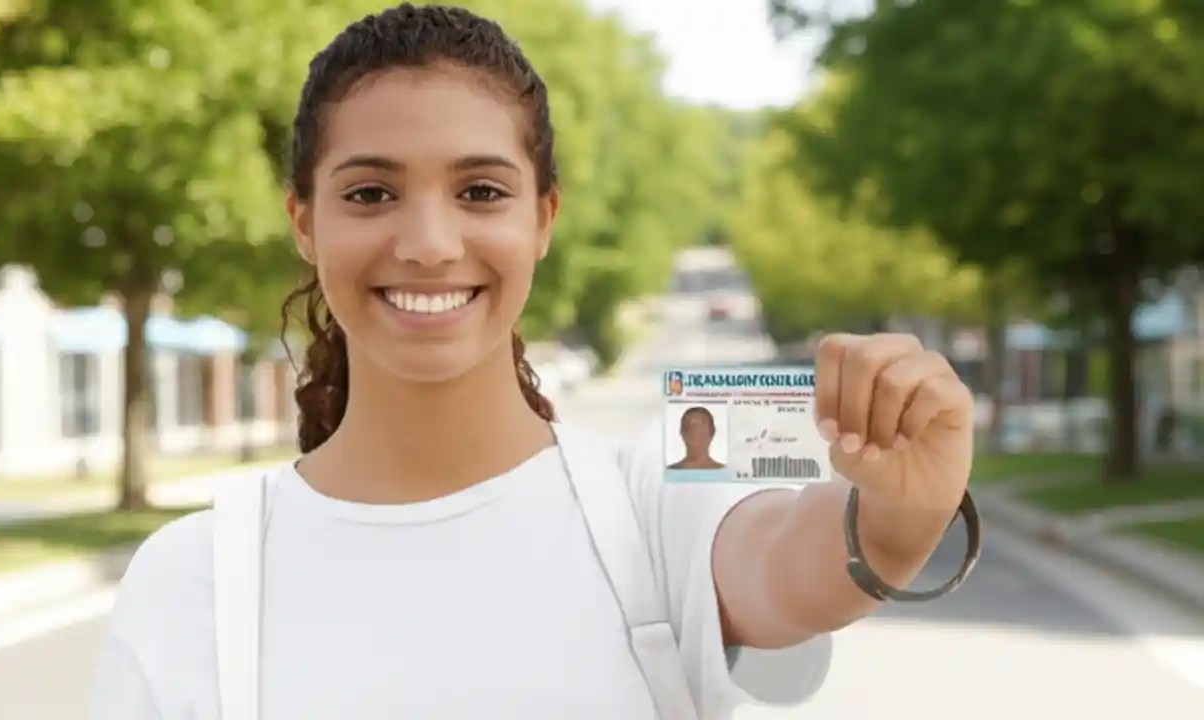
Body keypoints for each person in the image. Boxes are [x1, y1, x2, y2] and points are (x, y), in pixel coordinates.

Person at [88, 4, 977, 719]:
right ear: (305, 221)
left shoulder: (653, 511)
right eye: (370, 193)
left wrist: (902, 515)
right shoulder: (192, 578)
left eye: (481, 192)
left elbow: (793, 562)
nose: (430, 243)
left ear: (543, 219)